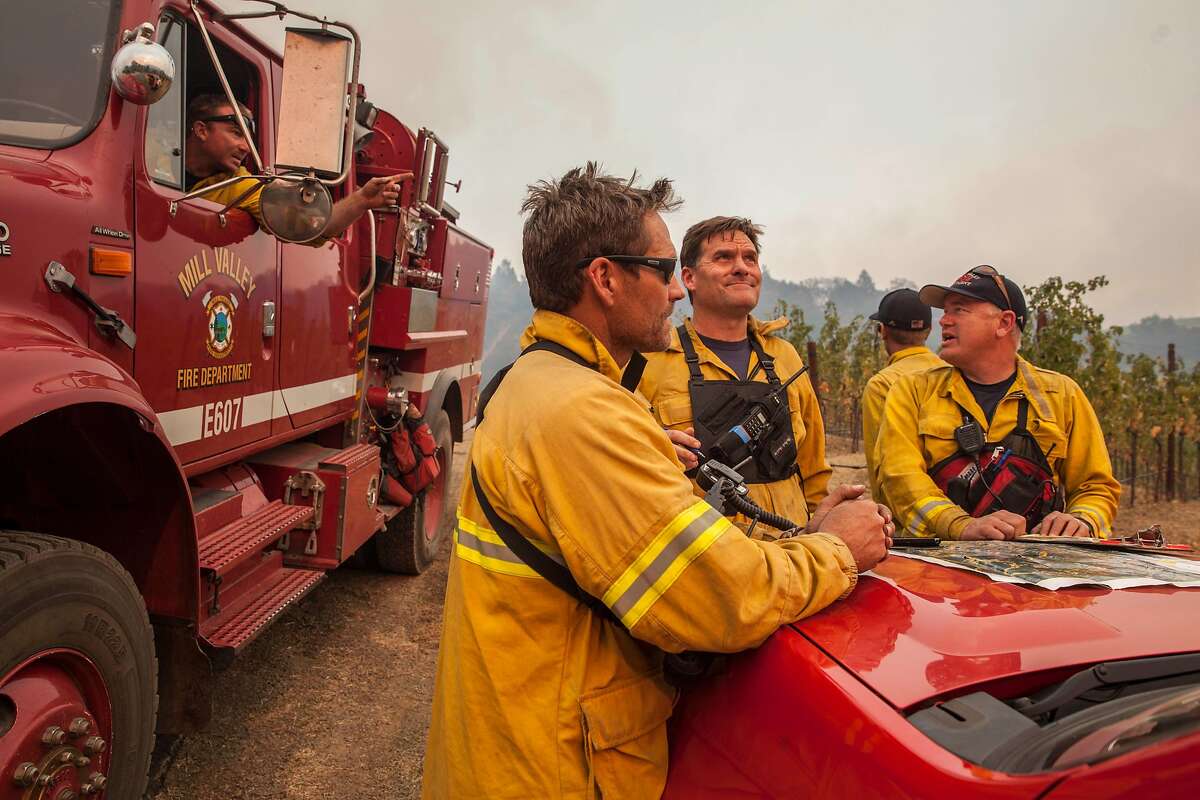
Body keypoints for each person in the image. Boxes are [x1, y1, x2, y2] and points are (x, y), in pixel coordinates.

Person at [422, 165, 891, 799]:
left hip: (517, 740)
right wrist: (835, 549)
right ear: (606, 278)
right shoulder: (586, 413)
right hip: (557, 766)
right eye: (665, 270)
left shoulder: (544, 379)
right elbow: (717, 599)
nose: (675, 292)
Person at [876, 265, 1120, 541]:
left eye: (959, 310)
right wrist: (959, 525)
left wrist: (1081, 520)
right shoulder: (912, 392)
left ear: (1004, 323)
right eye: (945, 312)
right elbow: (900, 477)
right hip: (936, 569)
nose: (944, 321)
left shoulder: (1062, 395)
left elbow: (1096, 486)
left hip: (1035, 570)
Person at [638, 216, 833, 540]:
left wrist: (823, 533)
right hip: (706, 560)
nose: (742, 268)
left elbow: (813, 471)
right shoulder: (652, 360)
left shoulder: (785, 358)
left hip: (796, 556)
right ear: (689, 278)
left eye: (750, 259)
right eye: (724, 257)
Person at [184, 93, 403, 238]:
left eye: (248, 139)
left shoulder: (239, 185)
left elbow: (309, 224)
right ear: (202, 130)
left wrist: (361, 200)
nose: (246, 148)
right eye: (236, 133)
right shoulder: (153, 157)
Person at [861, 288, 945, 502]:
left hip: (910, 521)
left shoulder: (882, 385)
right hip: (958, 513)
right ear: (929, 330)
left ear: (883, 331)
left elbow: (881, 465)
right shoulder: (951, 374)